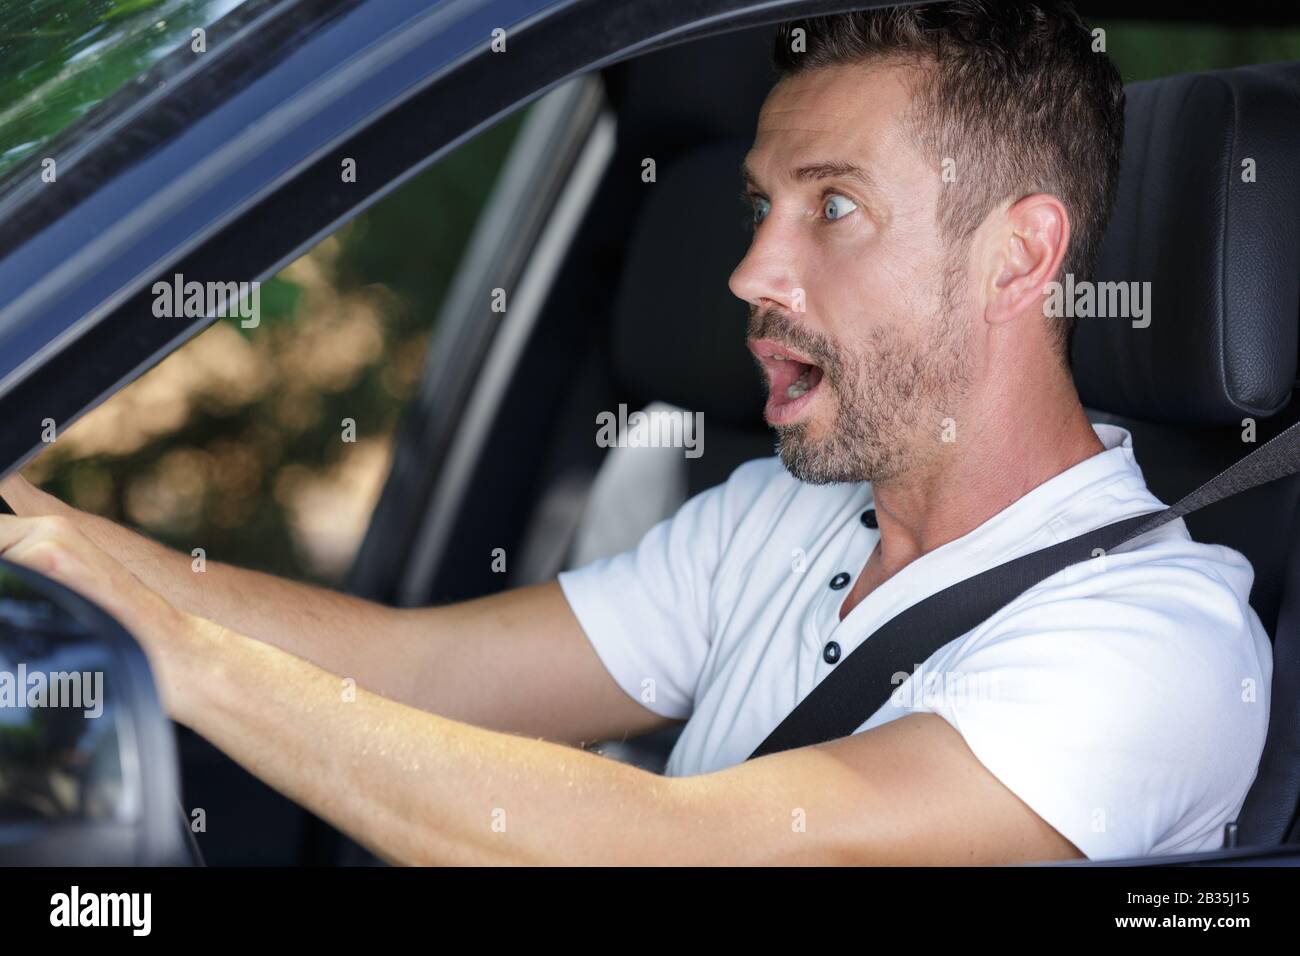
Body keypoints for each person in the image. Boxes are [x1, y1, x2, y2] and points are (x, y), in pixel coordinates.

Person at [0, 1, 1272, 865]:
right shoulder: (779, 516)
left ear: (1019, 257)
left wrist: (182, 657)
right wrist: (47, 538)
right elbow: (413, 673)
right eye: (761, 205)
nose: (751, 270)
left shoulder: (1153, 643)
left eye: (833, 206)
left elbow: (681, 849)